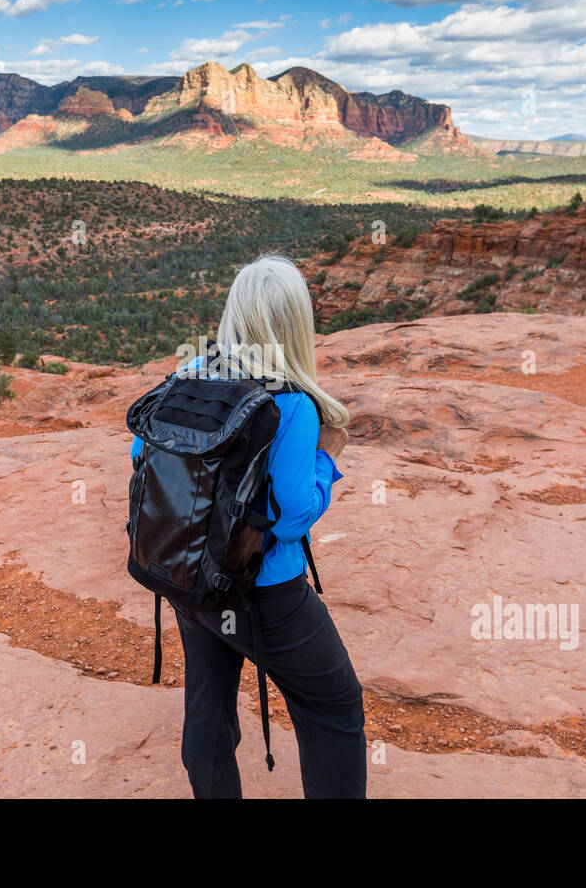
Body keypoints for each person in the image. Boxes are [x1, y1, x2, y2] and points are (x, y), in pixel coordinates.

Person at [129, 254, 367, 798]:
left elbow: (142, 455)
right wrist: (326, 461)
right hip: (266, 594)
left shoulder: (184, 379)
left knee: (209, 706)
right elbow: (290, 517)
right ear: (294, 323)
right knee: (332, 705)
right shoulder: (291, 405)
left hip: (190, 578)